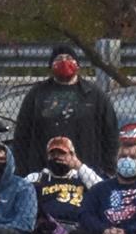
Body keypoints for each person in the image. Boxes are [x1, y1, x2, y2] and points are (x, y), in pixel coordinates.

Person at [13, 43, 120, 171]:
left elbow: (110, 133)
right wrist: (24, 169)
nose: (64, 61)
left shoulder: (94, 94)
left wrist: (107, 168)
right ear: (51, 66)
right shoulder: (37, 94)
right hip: (44, 169)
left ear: (77, 64)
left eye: (69, 58)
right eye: (58, 59)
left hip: (85, 168)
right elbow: (22, 133)